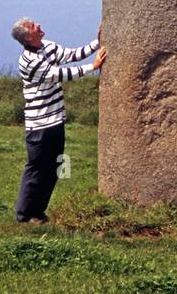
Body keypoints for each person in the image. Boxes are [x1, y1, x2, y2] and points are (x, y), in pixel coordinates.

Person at [11, 17, 106, 224]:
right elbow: (57, 75)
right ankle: (24, 214)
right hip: (39, 124)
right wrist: (92, 67)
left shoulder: (47, 46)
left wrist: (97, 42)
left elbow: (71, 54)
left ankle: (38, 211)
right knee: (36, 168)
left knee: (53, 167)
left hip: (55, 120)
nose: (39, 26)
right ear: (28, 36)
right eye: (34, 26)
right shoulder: (28, 61)